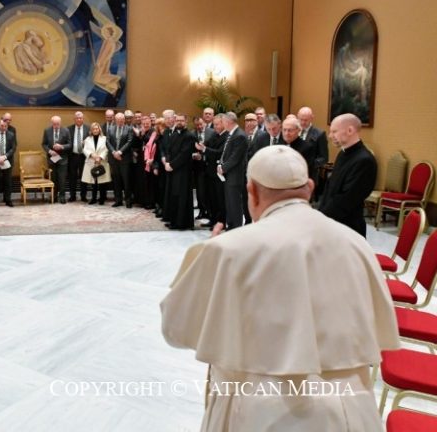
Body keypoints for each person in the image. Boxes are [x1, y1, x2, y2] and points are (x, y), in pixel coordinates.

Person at [161, 145, 399, 431]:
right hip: (350, 407)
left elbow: (176, 330)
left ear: (252, 191)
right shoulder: (356, 244)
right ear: (310, 187)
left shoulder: (227, 250)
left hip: (256, 408)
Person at [318, 113, 377, 237]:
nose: (330, 136)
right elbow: (330, 188)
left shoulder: (364, 160)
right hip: (332, 223)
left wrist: (321, 218)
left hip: (348, 228)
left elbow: (347, 199)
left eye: (334, 131)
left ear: (350, 130)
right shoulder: (342, 154)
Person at [41, 115, 72, 204]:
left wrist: (61, 146)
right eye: (54, 124)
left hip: (63, 159)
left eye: (58, 124)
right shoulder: (47, 131)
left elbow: (70, 144)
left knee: (62, 179)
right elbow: (44, 144)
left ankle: (62, 196)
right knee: (53, 178)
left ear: (60, 123)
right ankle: (53, 196)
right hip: (52, 158)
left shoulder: (65, 130)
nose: (56, 126)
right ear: (52, 123)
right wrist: (50, 151)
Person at [107, 112, 134, 207]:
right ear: (115, 120)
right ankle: (118, 200)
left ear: (124, 120)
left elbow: (130, 142)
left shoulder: (129, 129)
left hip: (124, 159)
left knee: (126, 180)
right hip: (113, 159)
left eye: (122, 120)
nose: (120, 122)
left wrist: (120, 152)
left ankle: (128, 201)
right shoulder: (110, 129)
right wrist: (114, 152)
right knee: (116, 180)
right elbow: (108, 142)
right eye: (118, 120)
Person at [81, 122, 111, 204]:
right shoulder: (87, 139)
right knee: (93, 182)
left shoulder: (104, 138)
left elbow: (107, 149)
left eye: (97, 128)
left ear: (99, 129)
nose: (95, 130)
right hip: (91, 162)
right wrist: (92, 155)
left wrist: (100, 157)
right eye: (93, 129)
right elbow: (85, 149)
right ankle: (93, 198)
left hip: (102, 161)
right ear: (91, 130)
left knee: (102, 182)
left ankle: (102, 199)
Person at [67, 111, 88, 202]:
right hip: (72, 156)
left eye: (80, 118)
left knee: (84, 177)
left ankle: (83, 196)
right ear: (74, 119)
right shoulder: (68, 129)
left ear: (83, 119)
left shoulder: (88, 128)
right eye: (77, 118)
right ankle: (72, 196)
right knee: (72, 177)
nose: (79, 119)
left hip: (84, 156)